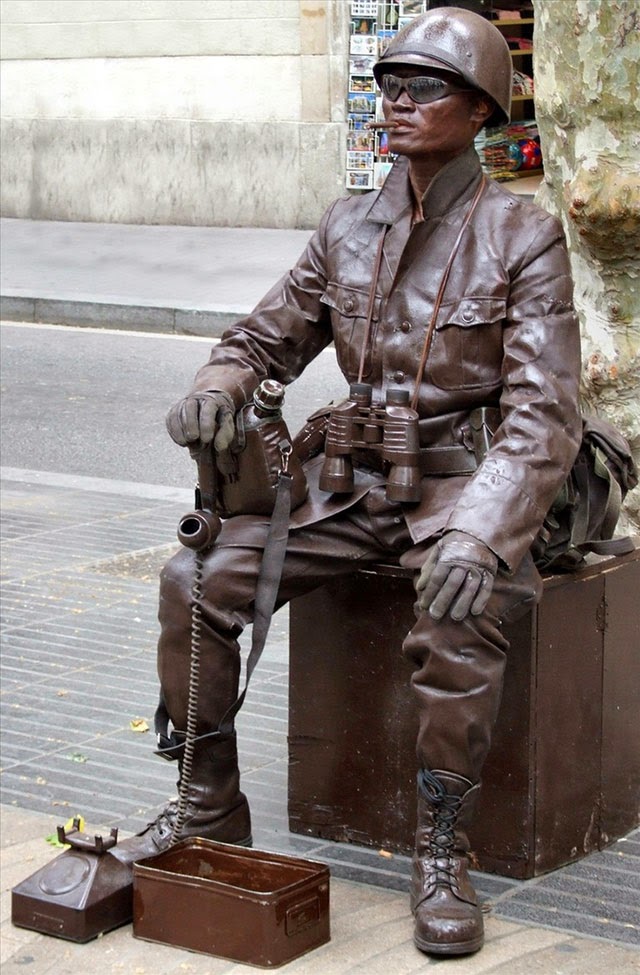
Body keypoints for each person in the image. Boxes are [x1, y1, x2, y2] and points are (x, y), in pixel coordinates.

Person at [116, 7, 582, 958]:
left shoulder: (522, 234)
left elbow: (545, 412)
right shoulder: (348, 224)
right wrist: (217, 385)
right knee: (195, 581)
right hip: (350, 486)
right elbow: (262, 337)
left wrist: (485, 531)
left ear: (481, 107)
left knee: (458, 610)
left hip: (461, 484)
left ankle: (442, 852)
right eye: (387, 87)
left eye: (423, 89)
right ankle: (209, 807)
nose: (397, 105)